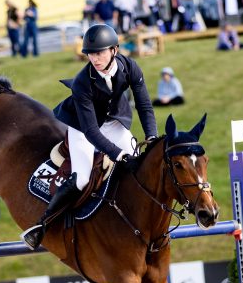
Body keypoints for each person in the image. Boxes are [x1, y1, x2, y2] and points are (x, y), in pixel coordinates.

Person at [21, 24, 157, 250]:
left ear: (114, 50)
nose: (94, 58)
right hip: (83, 127)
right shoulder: (83, 82)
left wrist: (151, 137)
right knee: (82, 178)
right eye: (91, 54)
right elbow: (92, 132)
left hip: (112, 121)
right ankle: (42, 225)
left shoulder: (130, 66)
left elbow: (144, 105)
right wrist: (118, 155)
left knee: (138, 164)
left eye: (100, 53)